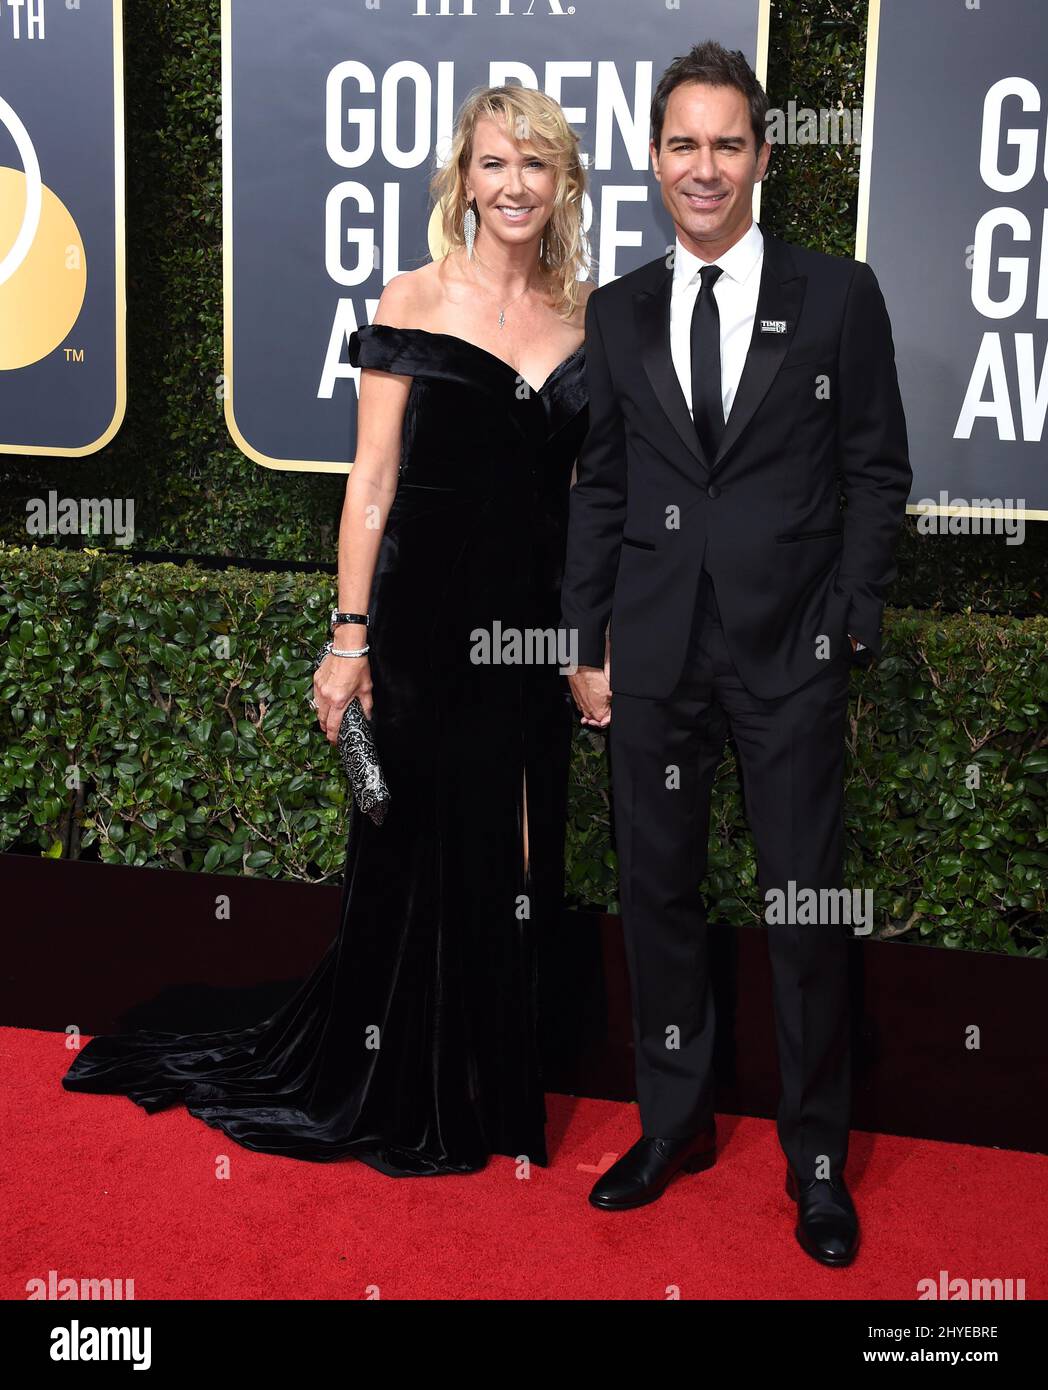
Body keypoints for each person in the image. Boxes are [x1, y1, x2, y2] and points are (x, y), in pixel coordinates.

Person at [63, 85, 593, 1177]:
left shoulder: (587, 318)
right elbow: (372, 483)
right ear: (464, 177)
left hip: (534, 629)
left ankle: (497, 1088)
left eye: (536, 165)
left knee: (523, 851)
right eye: (495, 163)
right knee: (416, 843)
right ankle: (398, 1079)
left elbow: (590, 497)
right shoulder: (412, 297)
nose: (514, 186)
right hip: (425, 619)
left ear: (564, 184)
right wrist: (348, 638)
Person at [559, 42, 910, 1263]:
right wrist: (580, 639)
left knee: (801, 907)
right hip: (652, 656)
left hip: (787, 656)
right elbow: (599, 487)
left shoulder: (836, 296)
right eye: (680, 144)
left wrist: (847, 619)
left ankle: (816, 1163)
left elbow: (875, 470)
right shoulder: (617, 312)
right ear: (653, 161)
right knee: (655, 897)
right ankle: (672, 1127)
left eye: (725, 143)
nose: (702, 167)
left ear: (763, 155)